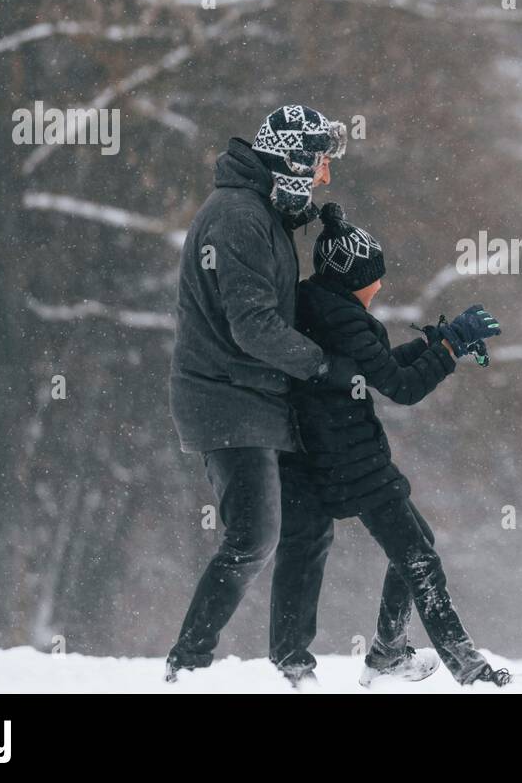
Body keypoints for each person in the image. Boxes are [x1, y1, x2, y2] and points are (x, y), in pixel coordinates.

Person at [165, 105, 356, 685]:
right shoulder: (237, 217)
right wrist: (324, 366)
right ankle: (188, 666)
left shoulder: (257, 214)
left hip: (262, 397)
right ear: (293, 162)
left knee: (309, 524)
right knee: (253, 536)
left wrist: (325, 236)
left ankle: (292, 664)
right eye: (320, 164)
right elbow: (253, 326)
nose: (324, 178)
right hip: (227, 398)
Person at [286, 202, 510, 687]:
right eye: (375, 277)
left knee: (419, 548)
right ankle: (470, 671)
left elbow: (380, 368)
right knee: (420, 561)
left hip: (344, 455)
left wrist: (439, 342)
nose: (380, 286)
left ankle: (388, 654)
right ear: (353, 277)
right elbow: (402, 388)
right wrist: (449, 351)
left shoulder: (324, 307)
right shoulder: (345, 318)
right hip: (351, 461)